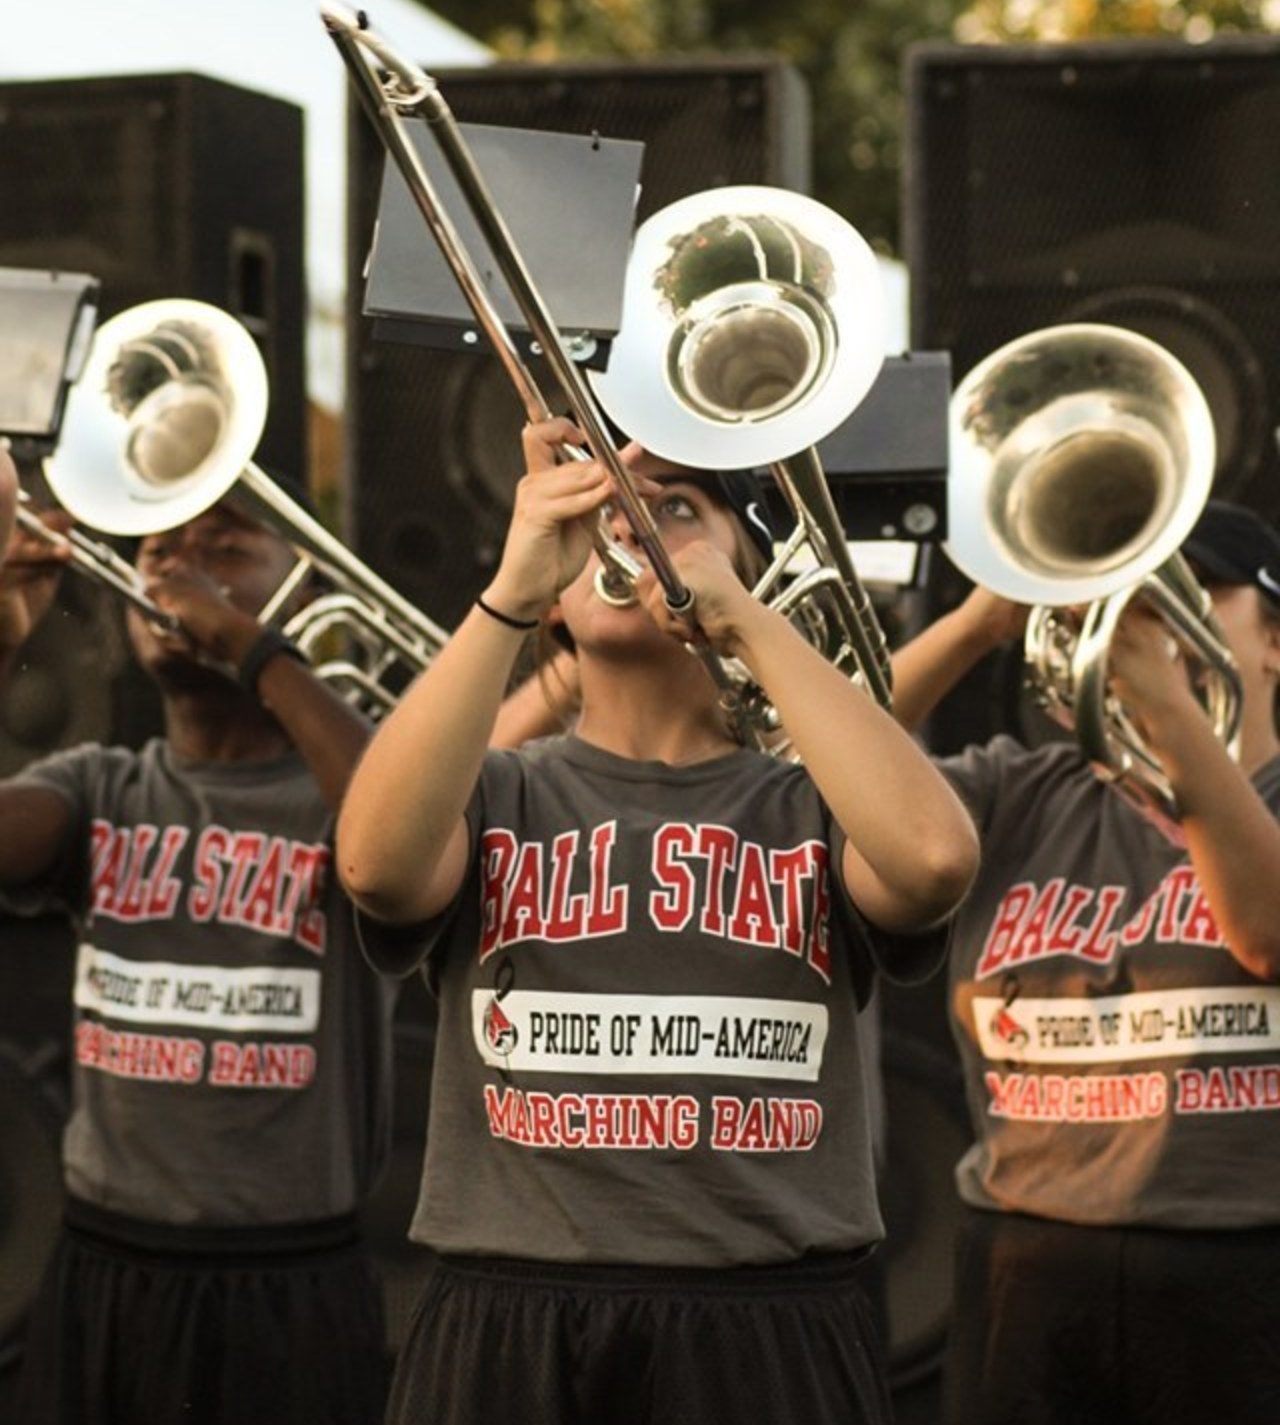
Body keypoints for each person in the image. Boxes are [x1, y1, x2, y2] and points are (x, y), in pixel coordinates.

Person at [336, 417, 979, 1425]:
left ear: (750, 572)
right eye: (602, 507)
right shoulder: (495, 787)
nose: (627, 524)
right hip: (508, 1310)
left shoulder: (810, 805)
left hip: (765, 1322)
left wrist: (749, 631)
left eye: (674, 505)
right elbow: (374, 865)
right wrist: (508, 590)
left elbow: (933, 860)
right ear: (557, 600)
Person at [0, 445, 396, 1425]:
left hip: (291, 1283)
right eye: (160, 548)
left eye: (225, 546)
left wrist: (257, 653)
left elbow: (407, 838)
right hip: (105, 1264)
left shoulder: (350, 790)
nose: (178, 568)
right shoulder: (100, 785)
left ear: (303, 594)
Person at [890, 499, 1280, 1425]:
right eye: (1122, 588)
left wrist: (1166, 703)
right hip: (1025, 1257)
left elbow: (1266, 932)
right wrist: (985, 617)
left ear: (1274, 643)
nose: (1140, 609)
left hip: (1244, 1259)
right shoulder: (1020, 789)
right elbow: (807, 763)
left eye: (1191, 589)